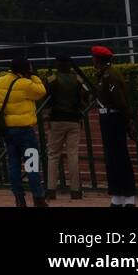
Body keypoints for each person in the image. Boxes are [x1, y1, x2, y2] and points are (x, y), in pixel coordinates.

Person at [0, 56, 47, 207]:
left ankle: (19, 198)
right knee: (32, 164)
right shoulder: (26, 84)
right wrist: (35, 76)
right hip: (25, 130)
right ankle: (38, 197)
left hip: (8, 129)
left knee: (14, 164)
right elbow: (41, 91)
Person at [92, 45, 136, 207]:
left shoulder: (110, 76)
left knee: (120, 158)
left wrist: (128, 119)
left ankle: (129, 196)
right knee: (112, 158)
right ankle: (117, 195)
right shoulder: (104, 75)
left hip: (114, 118)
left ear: (98, 60)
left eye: (94, 58)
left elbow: (120, 101)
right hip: (108, 117)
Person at [42, 54, 88, 200]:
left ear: (57, 65)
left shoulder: (53, 79)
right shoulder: (77, 79)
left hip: (57, 120)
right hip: (74, 120)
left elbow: (42, 93)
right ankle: (76, 190)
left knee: (53, 155)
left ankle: (50, 189)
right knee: (73, 155)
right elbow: (86, 95)